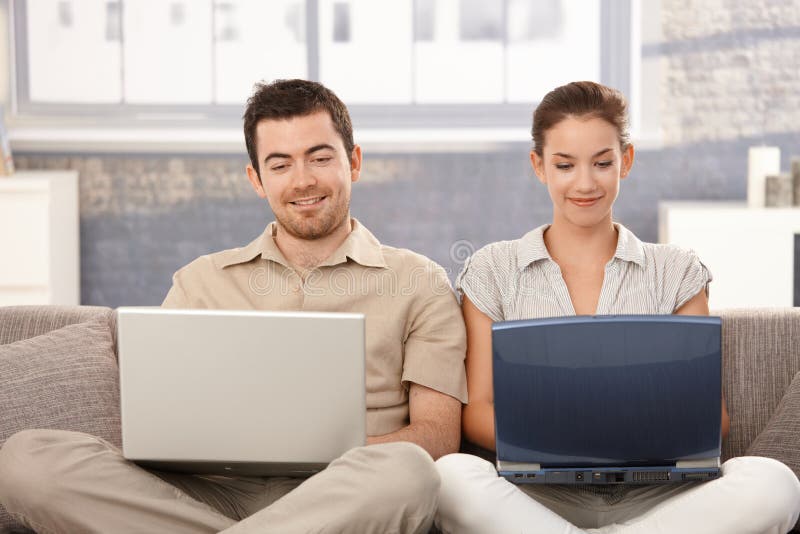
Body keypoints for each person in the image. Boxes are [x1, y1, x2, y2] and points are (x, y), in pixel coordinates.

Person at [0, 79, 467, 534]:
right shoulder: (200, 281)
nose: (303, 180)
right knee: (25, 458)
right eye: (280, 164)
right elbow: (159, 421)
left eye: (320, 158)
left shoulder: (419, 281)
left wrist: (309, 449)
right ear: (256, 179)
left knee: (409, 473)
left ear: (354, 161)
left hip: (347, 489)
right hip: (208, 492)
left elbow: (438, 437)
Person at [434, 81, 800, 534]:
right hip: (536, 501)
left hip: (661, 500)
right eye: (565, 165)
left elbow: (712, 417)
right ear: (539, 166)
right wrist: (573, 442)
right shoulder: (493, 269)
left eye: (602, 163)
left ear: (625, 161)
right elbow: (478, 411)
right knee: (449, 477)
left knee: (773, 482)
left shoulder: (676, 270)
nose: (585, 183)